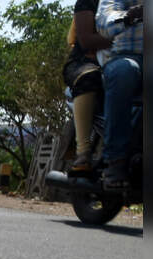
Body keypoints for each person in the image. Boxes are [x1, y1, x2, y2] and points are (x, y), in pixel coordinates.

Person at [96, 0, 142, 189]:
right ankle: (115, 162)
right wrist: (128, 16)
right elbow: (104, 19)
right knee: (124, 71)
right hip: (129, 55)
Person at [63, 0, 112, 173]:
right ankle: (83, 152)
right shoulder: (88, 1)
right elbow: (85, 40)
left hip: (123, 58)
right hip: (84, 61)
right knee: (89, 77)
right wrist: (123, 38)